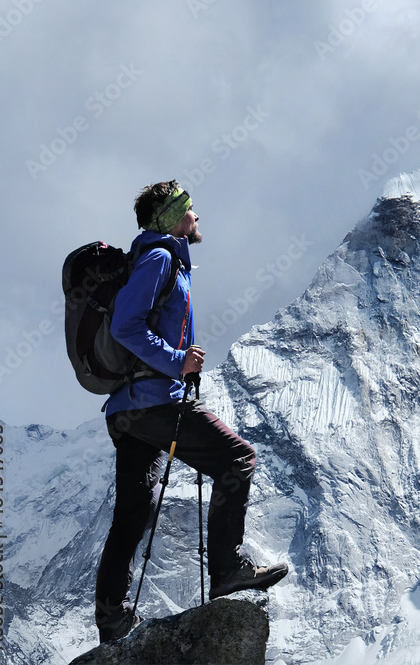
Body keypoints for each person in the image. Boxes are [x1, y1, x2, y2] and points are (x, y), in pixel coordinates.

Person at [94, 180, 288, 643]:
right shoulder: (161, 258)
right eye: (188, 209)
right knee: (237, 459)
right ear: (169, 219)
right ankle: (227, 570)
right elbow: (125, 326)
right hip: (154, 400)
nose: (196, 215)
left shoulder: (158, 258)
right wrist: (175, 361)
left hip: (130, 409)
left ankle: (112, 617)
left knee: (133, 510)